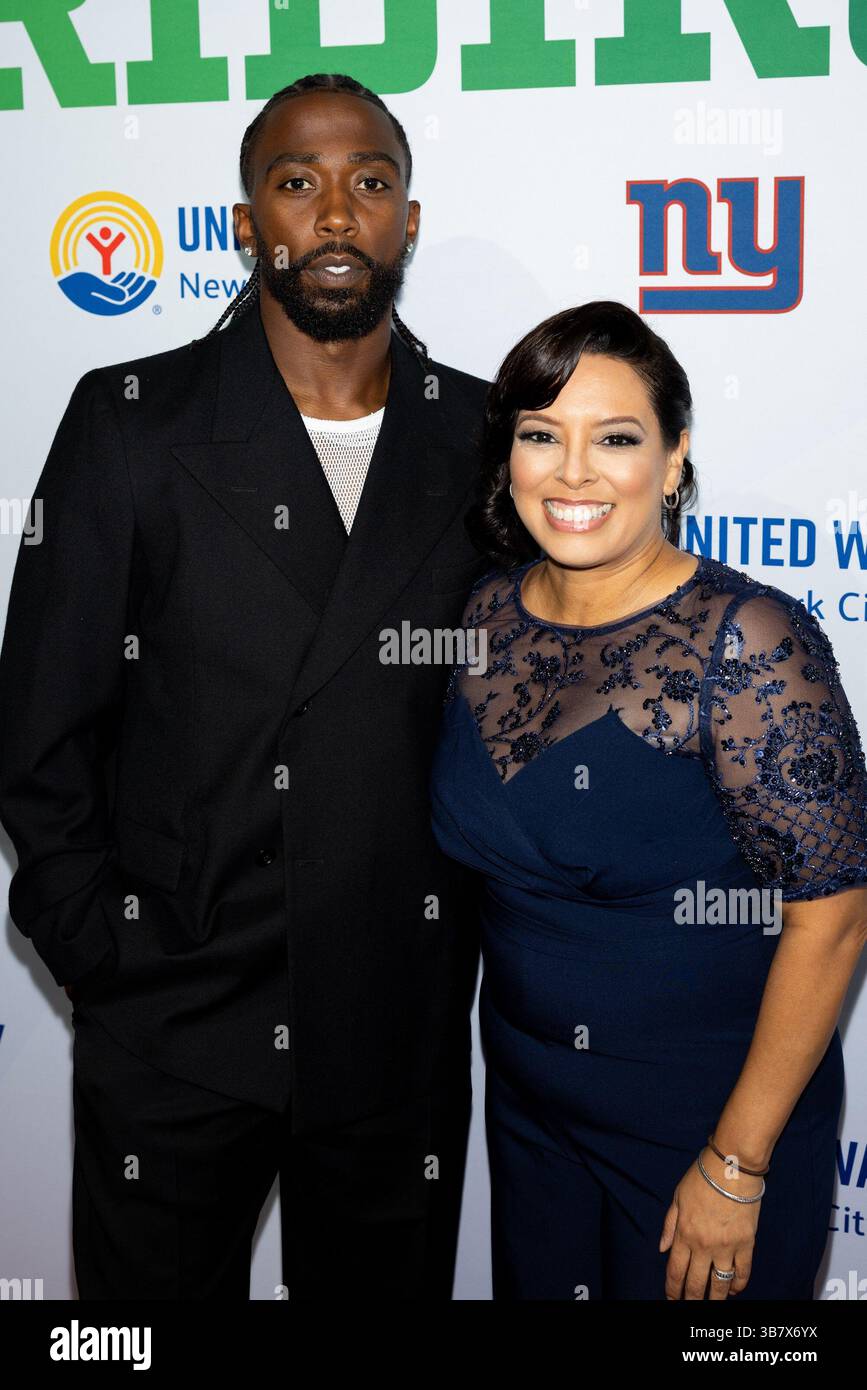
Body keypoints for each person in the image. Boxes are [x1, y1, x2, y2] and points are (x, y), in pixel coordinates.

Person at [0, 73, 491, 1299]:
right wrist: (102, 949)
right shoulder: (128, 421)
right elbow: (38, 729)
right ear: (243, 224)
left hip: (395, 1026)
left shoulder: (489, 439)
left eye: (369, 184)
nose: (336, 214)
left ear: (409, 224)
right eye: (297, 183)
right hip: (172, 1020)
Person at [430, 300, 867, 1300]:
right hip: (531, 1115)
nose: (573, 471)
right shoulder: (486, 611)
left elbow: (833, 918)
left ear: (672, 460)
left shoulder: (752, 641)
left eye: (616, 438)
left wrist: (736, 1163)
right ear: (509, 457)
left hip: (704, 1129)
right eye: (542, 436)